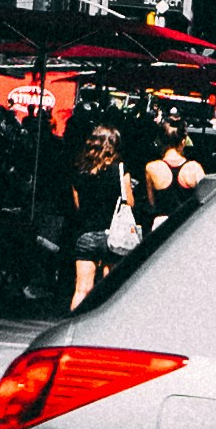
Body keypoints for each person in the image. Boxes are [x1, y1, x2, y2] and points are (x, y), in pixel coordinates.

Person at [54, 120, 138, 308]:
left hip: (86, 235)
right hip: (114, 235)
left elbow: (78, 207)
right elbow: (129, 202)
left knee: (81, 289)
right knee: (109, 291)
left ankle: (73, 327)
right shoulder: (120, 170)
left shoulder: (80, 171)